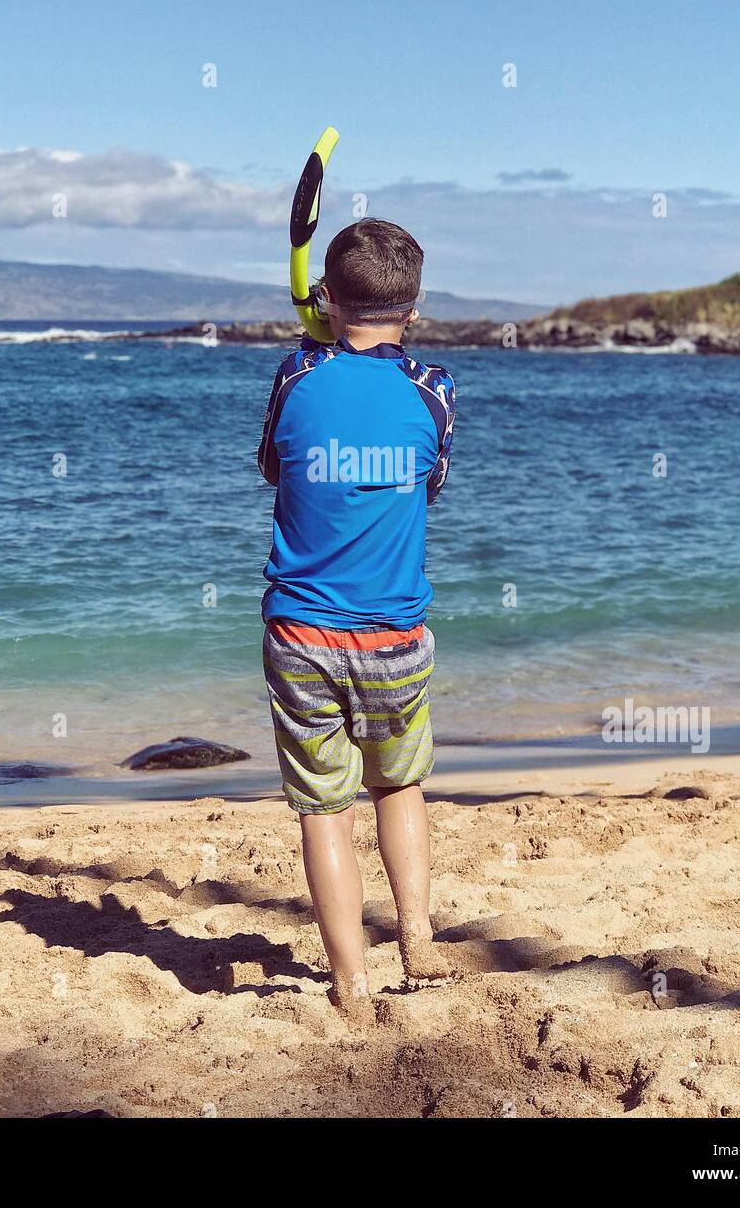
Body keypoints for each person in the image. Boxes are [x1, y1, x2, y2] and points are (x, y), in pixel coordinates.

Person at [257, 218, 457, 1016]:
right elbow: (432, 480)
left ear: (326, 297)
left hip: (301, 636)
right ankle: (417, 937)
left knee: (322, 811)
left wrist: (317, 343)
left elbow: (275, 466)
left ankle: (349, 984)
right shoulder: (431, 389)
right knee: (398, 788)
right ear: (414, 310)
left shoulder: (293, 379)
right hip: (394, 637)